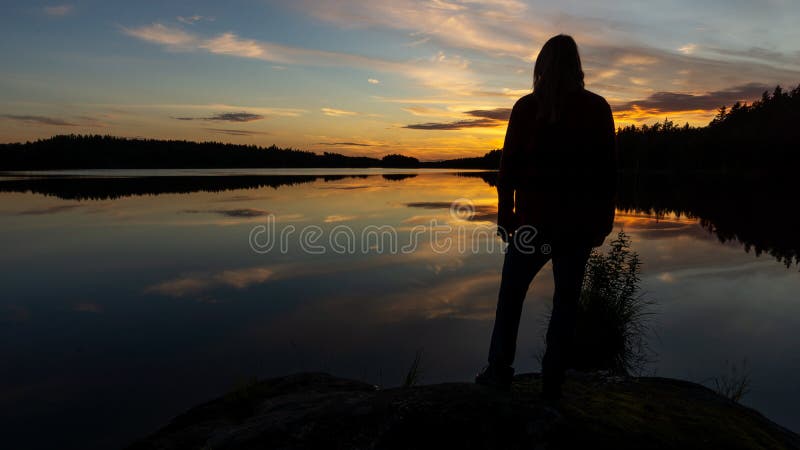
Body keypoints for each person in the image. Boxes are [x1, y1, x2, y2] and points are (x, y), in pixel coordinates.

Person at [475, 34, 617, 399]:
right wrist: (604, 221)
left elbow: (508, 170)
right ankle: (552, 379)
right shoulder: (597, 107)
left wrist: (505, 213)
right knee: (565, 304)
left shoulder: (527, 107)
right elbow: (607, 174)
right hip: (577, 225)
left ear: (541, 67)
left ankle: (498, 370)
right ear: (578, 67)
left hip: (533, 223)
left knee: (511, 298)